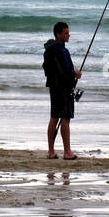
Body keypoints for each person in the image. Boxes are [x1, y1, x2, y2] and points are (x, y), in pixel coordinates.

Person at [43, 21, 81, 160]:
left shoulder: (49, 50)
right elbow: (65, 71)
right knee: (65, 118)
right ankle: (67, 152)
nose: (68, 35)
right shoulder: (61, 50)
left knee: (54, 117)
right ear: (58, 34)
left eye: (68, 32)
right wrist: (75, 75)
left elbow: (49, 69)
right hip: (63, 88)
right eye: (65, 33)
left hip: (54, 87)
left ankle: (51, 151)